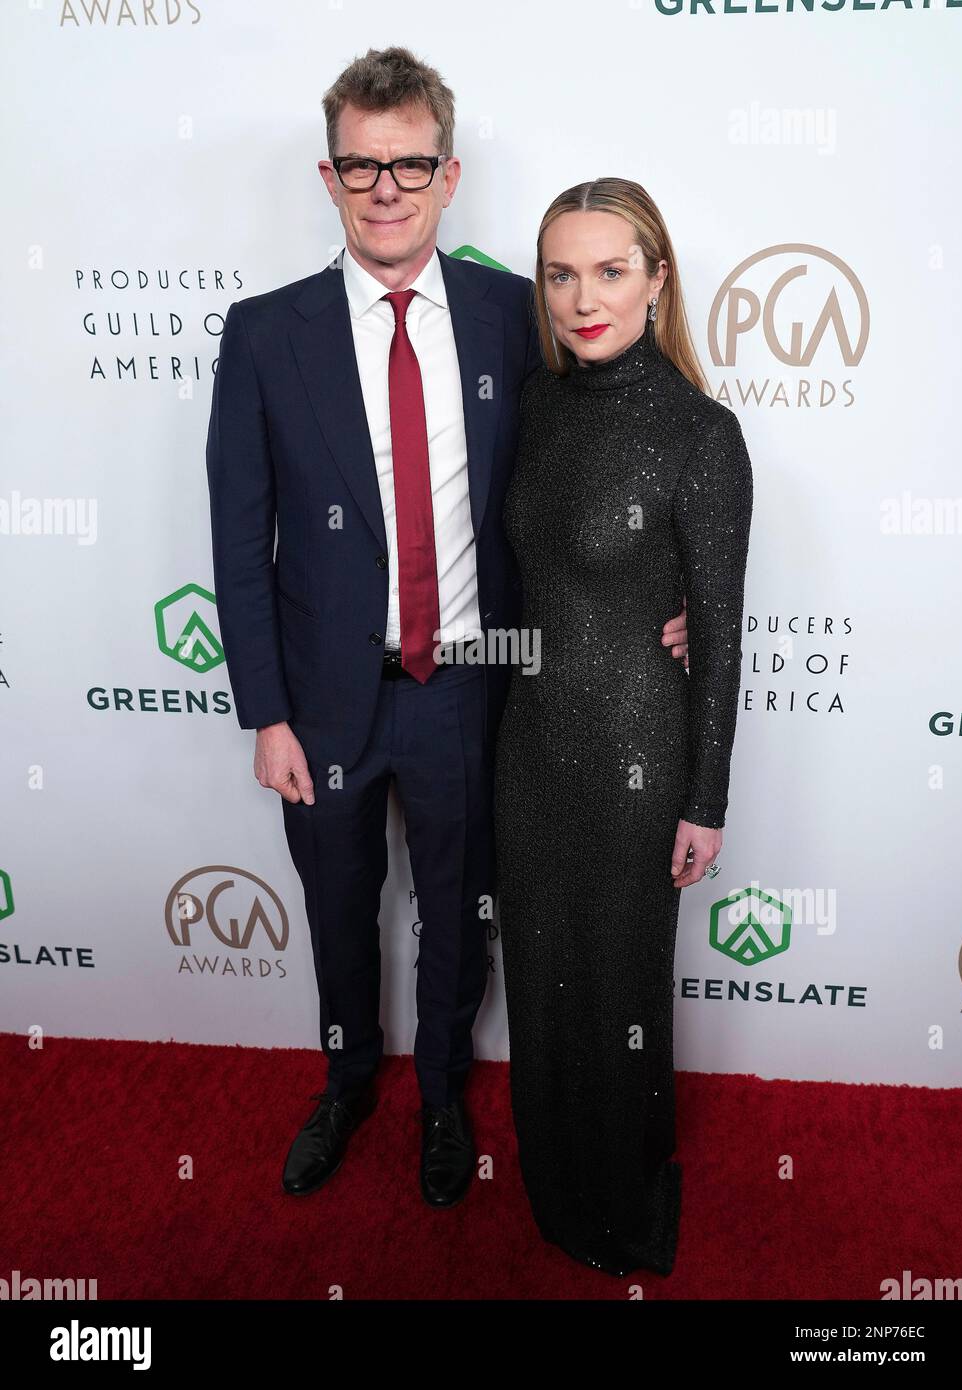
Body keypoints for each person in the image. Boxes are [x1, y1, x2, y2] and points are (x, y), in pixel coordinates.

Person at [205, 47, 691, 1212]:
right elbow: (239, 539)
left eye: (409, 162)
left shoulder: (509, 315)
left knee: (460, 917)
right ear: (330, 177)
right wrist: (265, 711)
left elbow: (596, 460)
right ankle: (344, 1083)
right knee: (336, 911)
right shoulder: (266, 335)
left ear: (448, 171)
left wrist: (661, 594)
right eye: (361, 165)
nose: (386, 186)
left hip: (475, 684)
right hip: (324, 698)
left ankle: (438, 1100)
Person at [494, 178, 754, 1276]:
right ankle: (558, 1195)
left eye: (610, 270)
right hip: (530, 747)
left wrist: (707, 800)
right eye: (561, 272)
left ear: (658, 281)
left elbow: (725, 636)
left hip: (637, 764)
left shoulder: (702, 433)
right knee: (544, 994)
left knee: (622, 994)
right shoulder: (538, 406)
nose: (582, 297)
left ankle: (630, 1208)